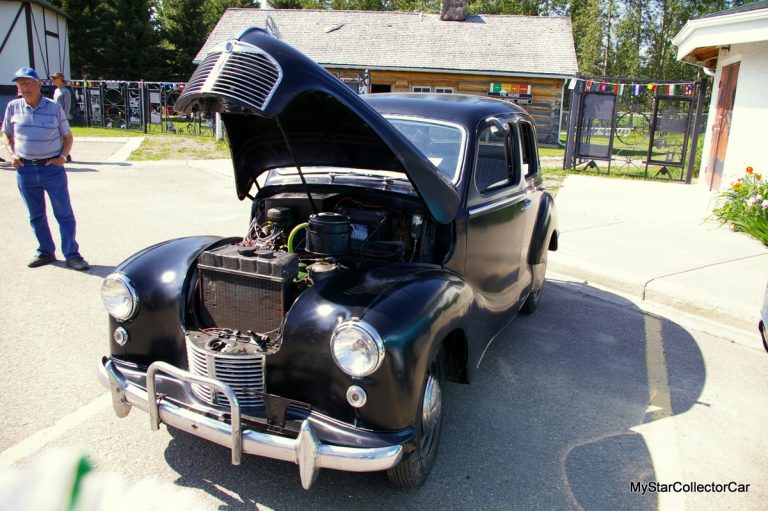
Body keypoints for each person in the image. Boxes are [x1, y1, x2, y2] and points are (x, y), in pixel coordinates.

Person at [1, 67, 89, 271]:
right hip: (26, 169)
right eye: (21, 84)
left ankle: (72, 255)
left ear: (39, 84)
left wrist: (62, 156)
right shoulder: (13, 107)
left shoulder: (52, 107)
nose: (25, 87)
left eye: (29, 83)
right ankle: (45, 251)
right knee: (36, 215)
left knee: (64, 213)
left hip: (51, 168)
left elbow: (67, 136)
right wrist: (12, 154)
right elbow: (6, 134)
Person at [50, 71, 73, 162]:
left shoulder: (65, 91)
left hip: (63, 116)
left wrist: (65, 115)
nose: (53, 81)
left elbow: (67, 105)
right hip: (56, 115)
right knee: (58, 136)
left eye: (55, 79)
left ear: (60, 79)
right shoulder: (56, 90)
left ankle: (66, 155)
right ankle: (62, 153)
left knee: (64, 136)